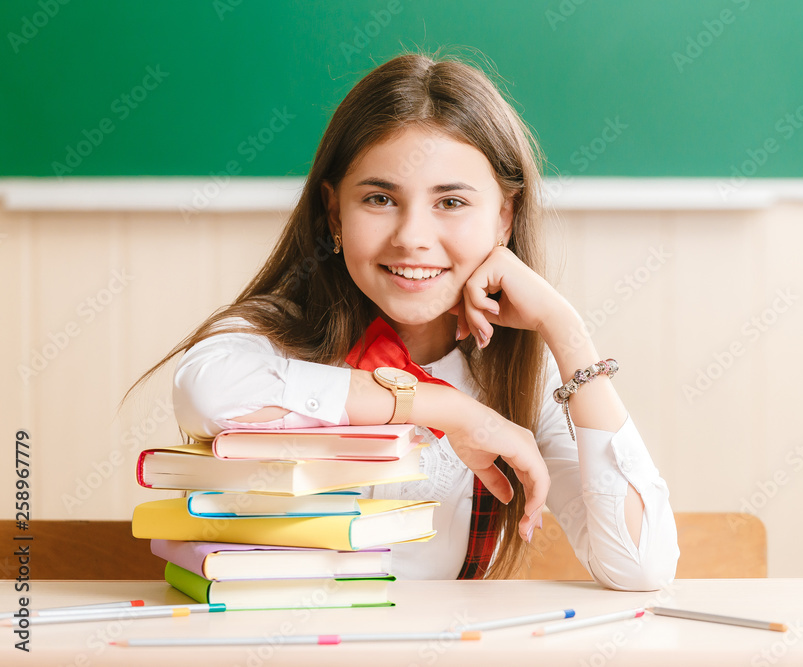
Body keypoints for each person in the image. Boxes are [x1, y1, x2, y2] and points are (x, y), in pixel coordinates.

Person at [131, 52, 678, 591]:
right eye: (379, 198)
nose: (412, 236)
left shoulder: (518, 377)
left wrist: (566, 329)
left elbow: (639, 565)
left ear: (504, 217)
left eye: (452, 202)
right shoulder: (277, 336)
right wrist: (448, 410)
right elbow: (206, 394)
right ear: (334, 212)